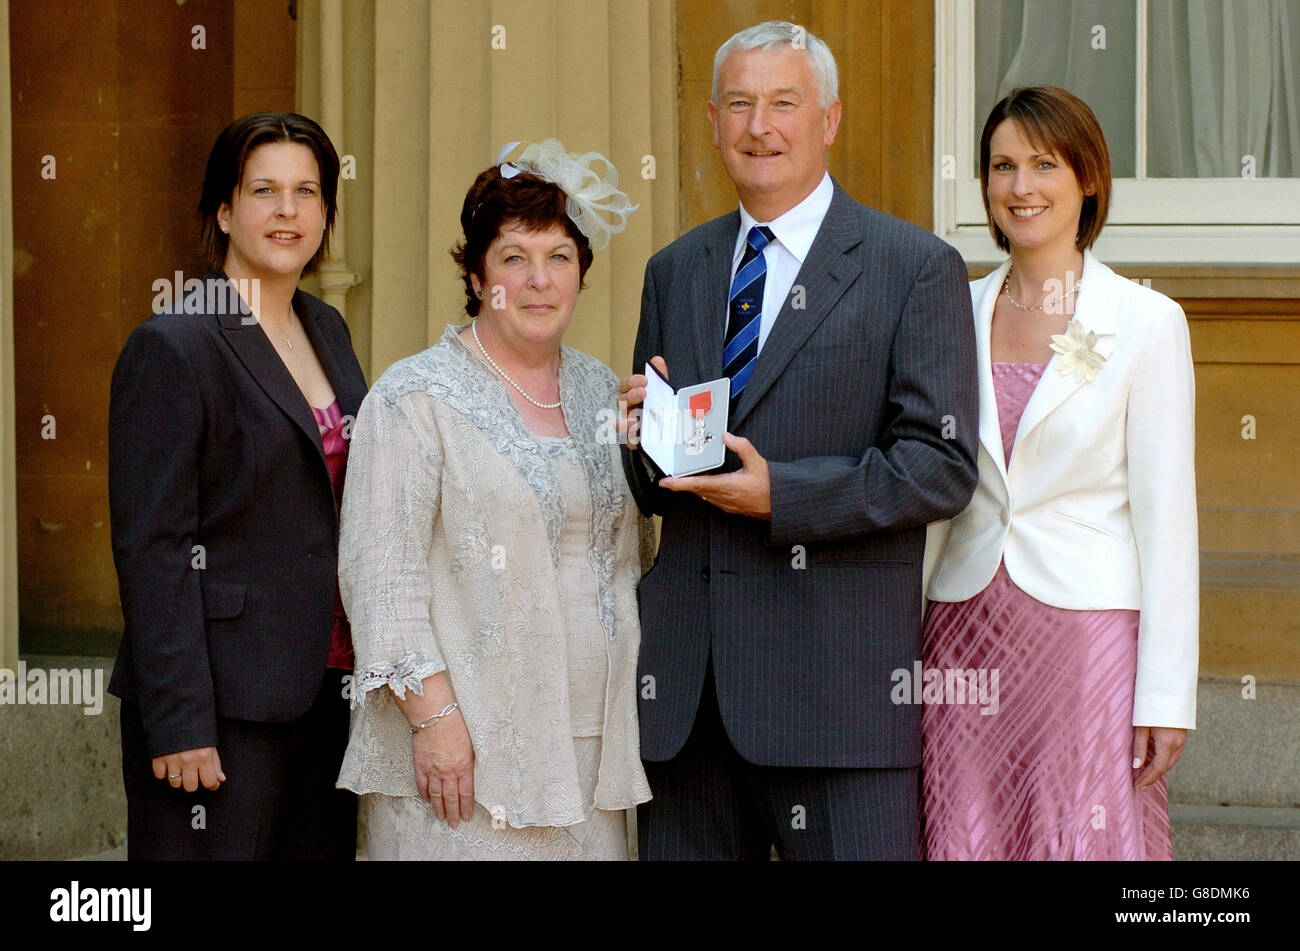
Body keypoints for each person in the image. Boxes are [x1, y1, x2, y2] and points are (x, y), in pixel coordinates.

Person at [618, 21, 980, 860]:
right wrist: (641, 440)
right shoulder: (676, 269)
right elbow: (653, 485)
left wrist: (783, 493)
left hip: (838, 701)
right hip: (688, 703)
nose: (760, 127)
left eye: (784, 103)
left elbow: (940, 464)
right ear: (712, 122)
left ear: (830, 119)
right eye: (739, 105)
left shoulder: (913, 266)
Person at [336, 139, 652, 860]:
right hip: (467, 752)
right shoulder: (415, 397)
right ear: (477, 276)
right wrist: (435, 720)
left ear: (581, 274)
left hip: (589, 754)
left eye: (559, 258)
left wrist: (671, 439)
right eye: (514, 257)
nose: (538, 280)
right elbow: (381, 580)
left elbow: (633, 554)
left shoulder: (604, 391)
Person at [921, 86, 1198, 860]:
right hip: (962, 633)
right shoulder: (951, 308)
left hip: (1085, 646)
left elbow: (1169, 522)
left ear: (1087, 180)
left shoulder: (1144, 321)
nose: (1020, 186)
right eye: (1002, 166)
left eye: (1044, 164)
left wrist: (1166, 696)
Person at [108, 113, 367, 859]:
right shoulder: (175, 343)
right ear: (224, 211)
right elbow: (153, 546)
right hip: (220, 710)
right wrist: (180, 719)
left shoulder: (328, 330)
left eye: (307, 191)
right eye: (264, 190)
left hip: (325, 692)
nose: (288, 211)